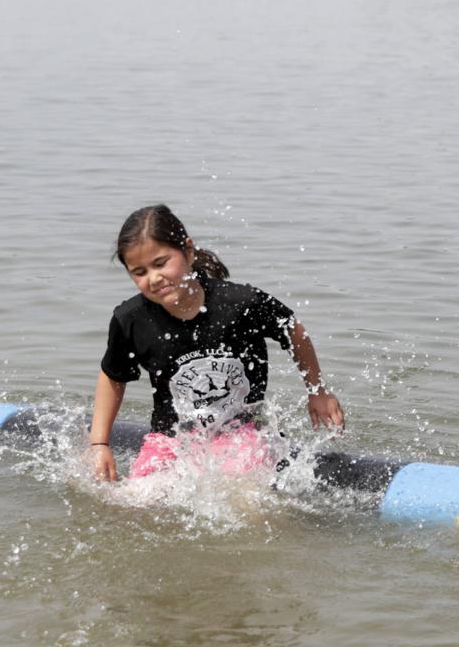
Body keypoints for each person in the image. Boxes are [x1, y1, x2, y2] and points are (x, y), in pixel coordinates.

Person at [89, 204, 345, 481]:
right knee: (138, 500)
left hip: (243, 431)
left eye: (161, 263)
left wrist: (317, 390)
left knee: (244, 495)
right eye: (139, 272)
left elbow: (293, 329)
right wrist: (99, 444)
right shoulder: (131, 320)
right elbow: (113, 376)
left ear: (187, 250)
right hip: (173, 438)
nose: (154, 278)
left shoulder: (240, 304)